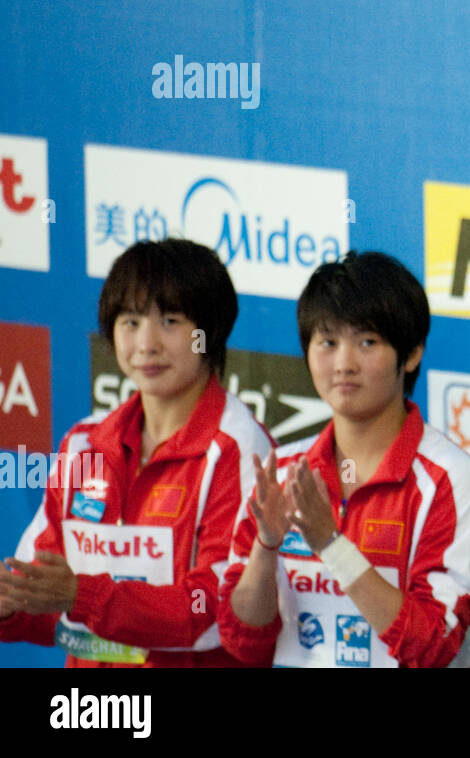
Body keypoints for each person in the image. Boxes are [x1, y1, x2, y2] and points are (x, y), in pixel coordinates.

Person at [218, 251, 470, 667]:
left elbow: (434, 646)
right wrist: (267, 545)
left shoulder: (450, 481)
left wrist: (332, 546)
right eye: (327, 342)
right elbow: (243, 640)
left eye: (367, 342)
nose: (344, 364)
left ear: (412, 353)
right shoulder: (282, 470)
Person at [0, 239, 271, 667]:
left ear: (208, 332)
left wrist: (81, 595)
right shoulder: (85, 444)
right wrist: (12, 603)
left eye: (170, 321)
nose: (146, 344)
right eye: (130, 321)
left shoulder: (238, 450)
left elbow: (218, 611)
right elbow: (46, 598)